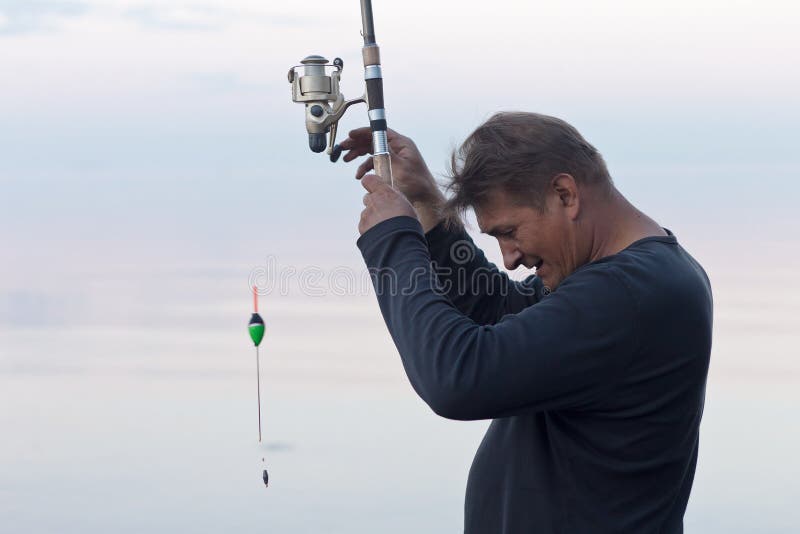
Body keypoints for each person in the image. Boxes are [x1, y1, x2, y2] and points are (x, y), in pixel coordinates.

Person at [339, 112, 712, 533]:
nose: (510, 258)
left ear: (565, 194)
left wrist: (393, 242)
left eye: (509, 231)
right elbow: (500, 307)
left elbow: (457, 379)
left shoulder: (630, 294)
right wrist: (428, 207)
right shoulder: (631, 280)